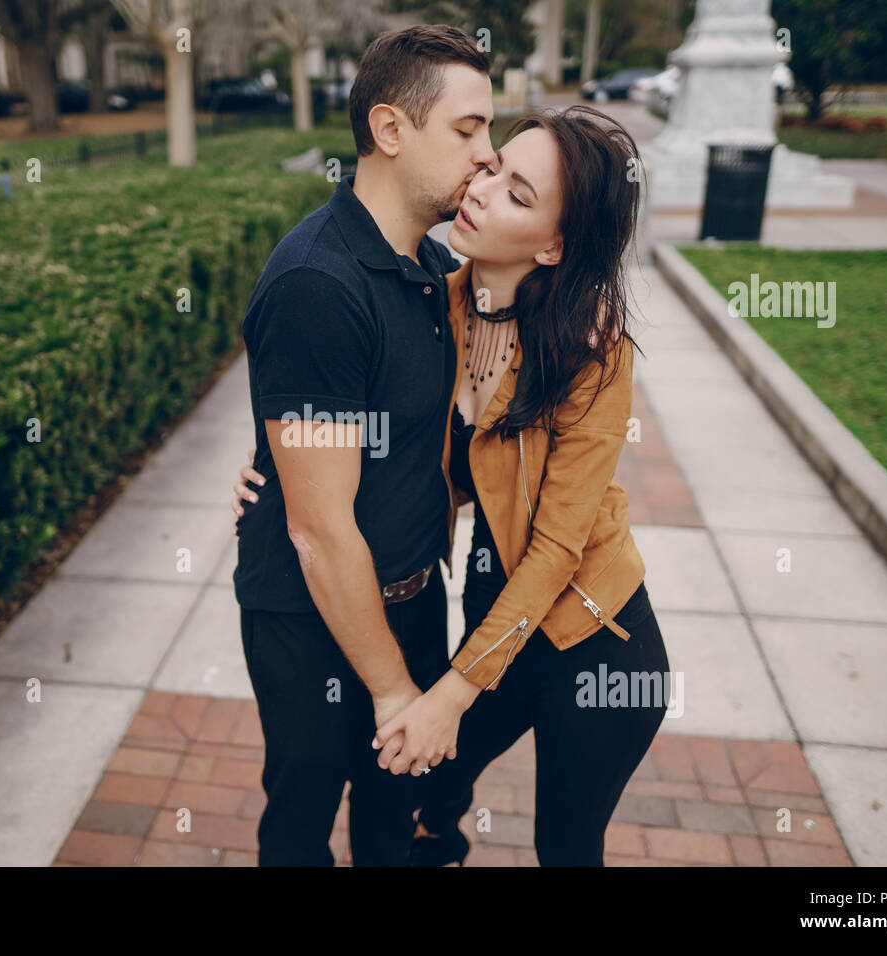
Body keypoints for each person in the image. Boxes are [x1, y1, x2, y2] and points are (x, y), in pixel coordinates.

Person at [234, 105, 672, 866]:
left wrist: (450, 692)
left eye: (516, 194)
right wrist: (272, 467)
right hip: (489, 616)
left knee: (565, 847)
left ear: (554, 247)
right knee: (424, 790)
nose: (480, 185)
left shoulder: (591, 354)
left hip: (588, 640)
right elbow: (342, 394)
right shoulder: (436, 299)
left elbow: (559, 546)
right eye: (496, 166)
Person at [232, 24, 499, 866]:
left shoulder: (423, 263)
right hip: (311, 618)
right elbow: (318, 530)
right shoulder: (319, 282)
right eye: (468, 130)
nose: (487, 155)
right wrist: (393, 691)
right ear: (390, 131)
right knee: (303, 820)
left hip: (416, 602)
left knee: (392, 823)